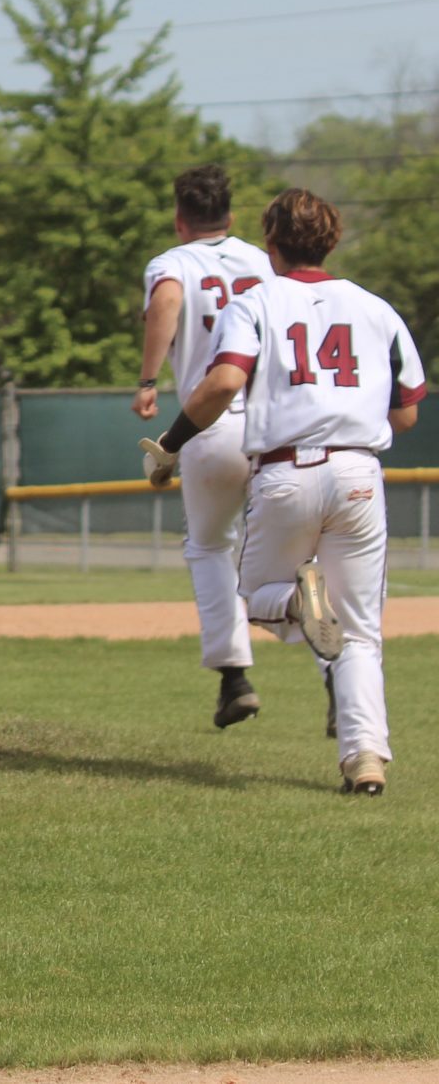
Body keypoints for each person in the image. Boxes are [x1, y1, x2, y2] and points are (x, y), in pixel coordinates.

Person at [140, 188, 423, 796]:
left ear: (270, 243)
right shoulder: (377, 308)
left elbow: (223, 384)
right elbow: (406, 416)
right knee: (360, 631)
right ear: (333, 239)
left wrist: (172, 441)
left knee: (250, 596)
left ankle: (298, 606)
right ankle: (365, 758)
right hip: (359, 478)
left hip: (286, 471)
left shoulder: (258, 300)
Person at [131, 164, 276, 729]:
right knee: (302, 562)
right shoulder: (264, 261)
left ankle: (234, 677)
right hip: (277, 425)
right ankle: (341, 680)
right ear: (232, 217)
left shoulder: (173, 263)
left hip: (210, 423)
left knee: (210, 547)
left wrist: (147, 380)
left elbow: (166, 301)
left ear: (179, 218)